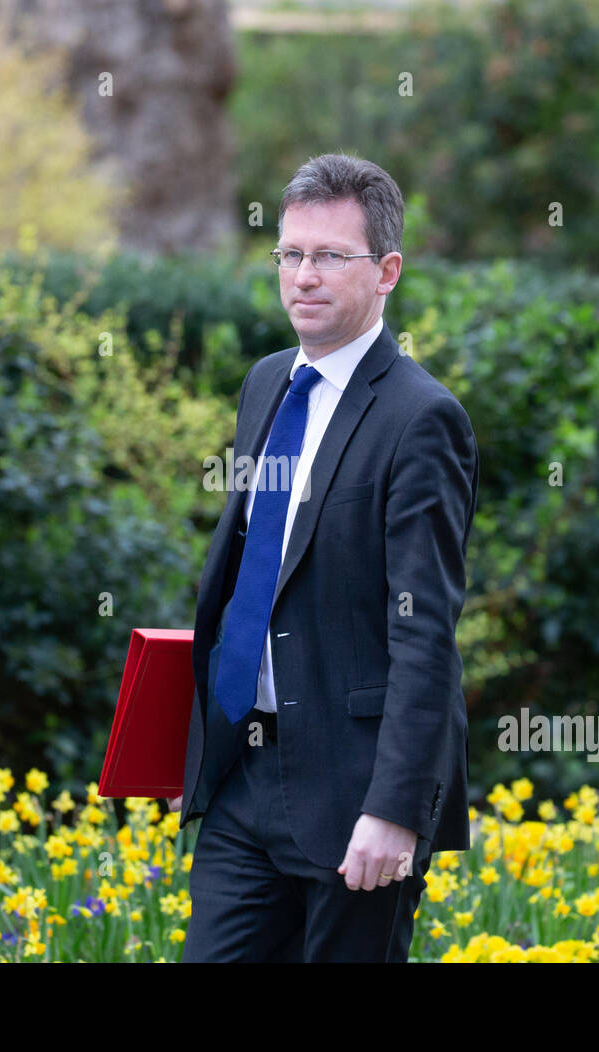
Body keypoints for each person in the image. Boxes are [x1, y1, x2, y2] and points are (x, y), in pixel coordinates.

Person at [169, 153, 478, 962]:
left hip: (354, 800)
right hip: (244, 778)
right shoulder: (266, 384)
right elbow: (252, 576)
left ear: (387, 272)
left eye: (330, 257)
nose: (304, 276)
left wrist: (396, 808)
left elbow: (426, 634)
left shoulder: (422, 420)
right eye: (291, 254)